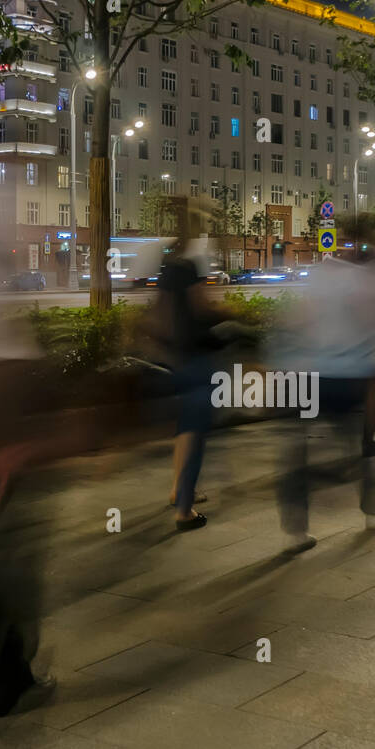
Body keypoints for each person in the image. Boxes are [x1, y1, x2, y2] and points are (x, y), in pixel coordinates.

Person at [270, 212, 375, 554]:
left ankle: (295, 530)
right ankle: (373, 512)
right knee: (362, 443)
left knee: (297, 452)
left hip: (302, 372)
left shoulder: (318, 273)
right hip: (344, 374)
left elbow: (296, 318)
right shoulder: (363, 281)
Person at [152, 204, 235, 531]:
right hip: (198, 357)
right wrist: (232, 312)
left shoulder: (168, 264)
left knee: (185, 427)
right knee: (195, 432)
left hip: (178, 356)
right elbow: (202, 307)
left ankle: (177, 491)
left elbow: (161, 312)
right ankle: (184, 510)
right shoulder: (190, 265)